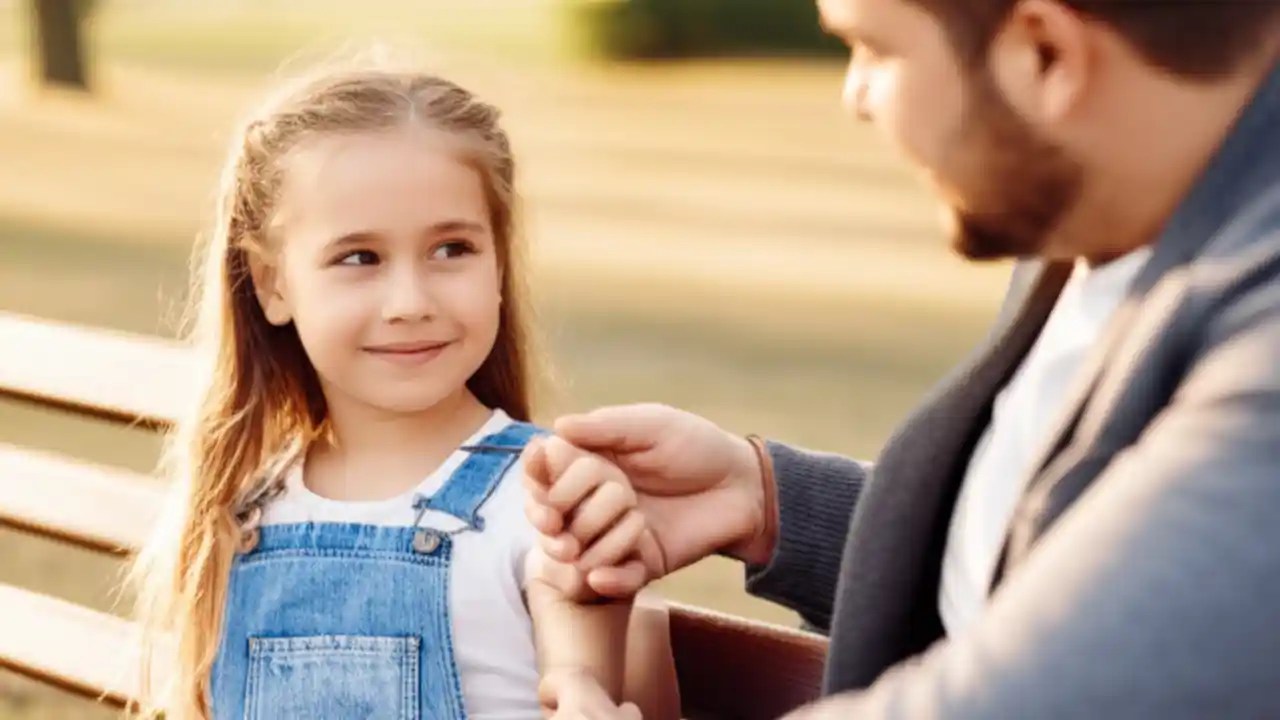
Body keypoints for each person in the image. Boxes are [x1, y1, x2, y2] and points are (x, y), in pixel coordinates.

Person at [526, 0, 1280, 716]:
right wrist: (770, 504)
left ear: (1046, 54)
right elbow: (1091, 570)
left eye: (875, 48)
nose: (856, 96)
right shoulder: (1097, 209)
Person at [127, 61, 678, 720]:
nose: (410, 302)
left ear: (499, 261)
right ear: (274, 284)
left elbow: (585, 635)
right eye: (359, 258)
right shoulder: (244, 510)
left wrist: (584, 680)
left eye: (451, 249)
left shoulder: (545, 491)